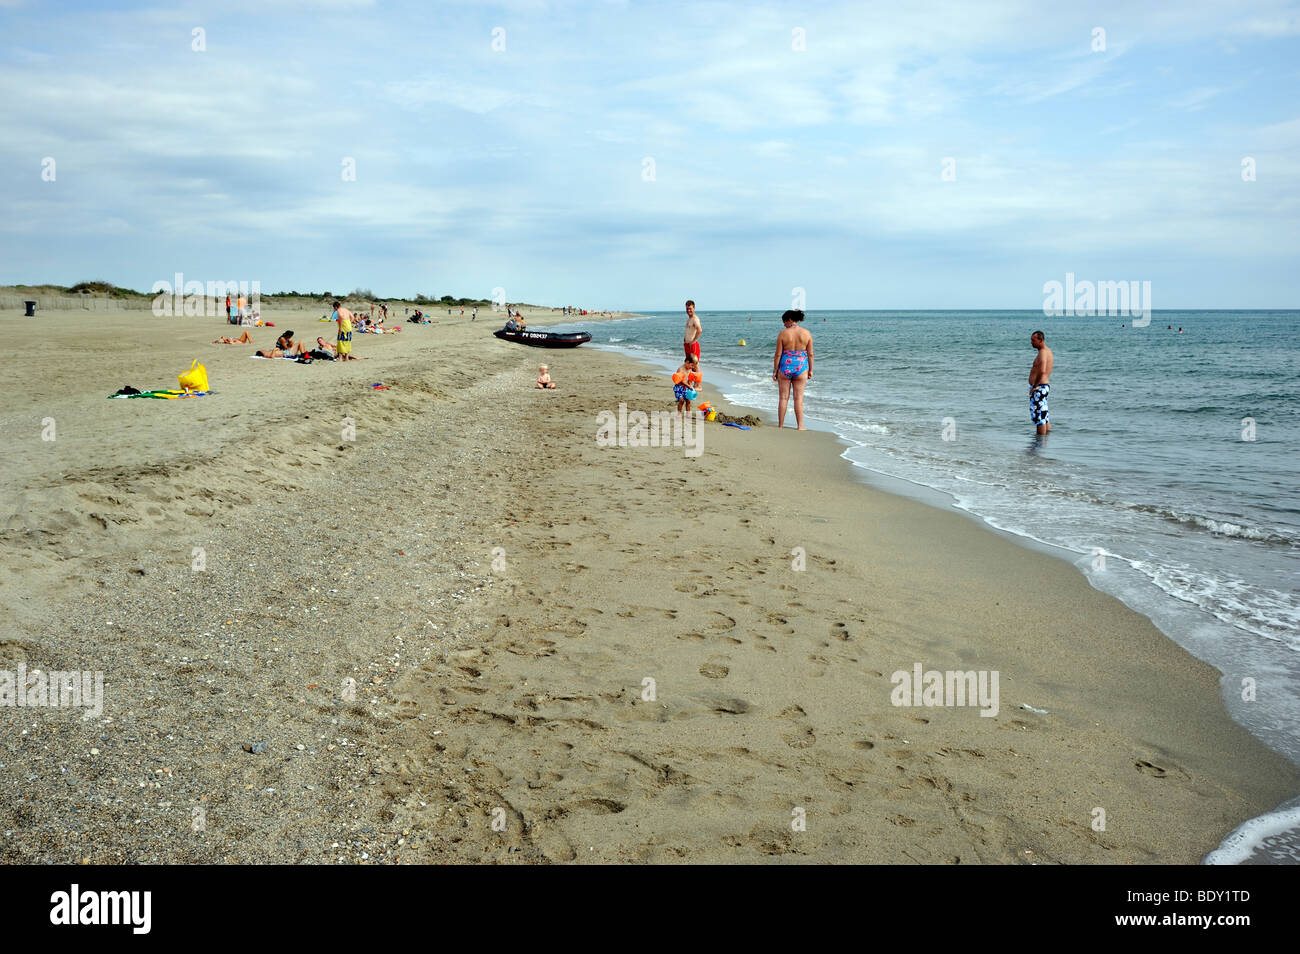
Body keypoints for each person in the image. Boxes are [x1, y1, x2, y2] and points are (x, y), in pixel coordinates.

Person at [773, 309, 813, 429]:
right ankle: (800, 426)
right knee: (798, 398)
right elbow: (810, 354)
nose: (784, 324)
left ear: (789, 320)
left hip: (785, 367)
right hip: (801, 367)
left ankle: (780, 425)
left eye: (784, 322)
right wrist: (810, 370)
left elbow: (778, 354)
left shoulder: (783, 333)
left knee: (783, 397)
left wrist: (775, 370)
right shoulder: (806, 333)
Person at [1029, 329, 1053, 435]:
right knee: (1044, 416)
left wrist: (1035, 385)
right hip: (1043, 387)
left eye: (1033, 340)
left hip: (1039, 388)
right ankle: (1044, 444)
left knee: (1040, 419)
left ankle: (1038, 446)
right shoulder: (1048, 351)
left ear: (1041, 340)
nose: (1031, 343)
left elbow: (1042, 371)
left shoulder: (1043, 353)